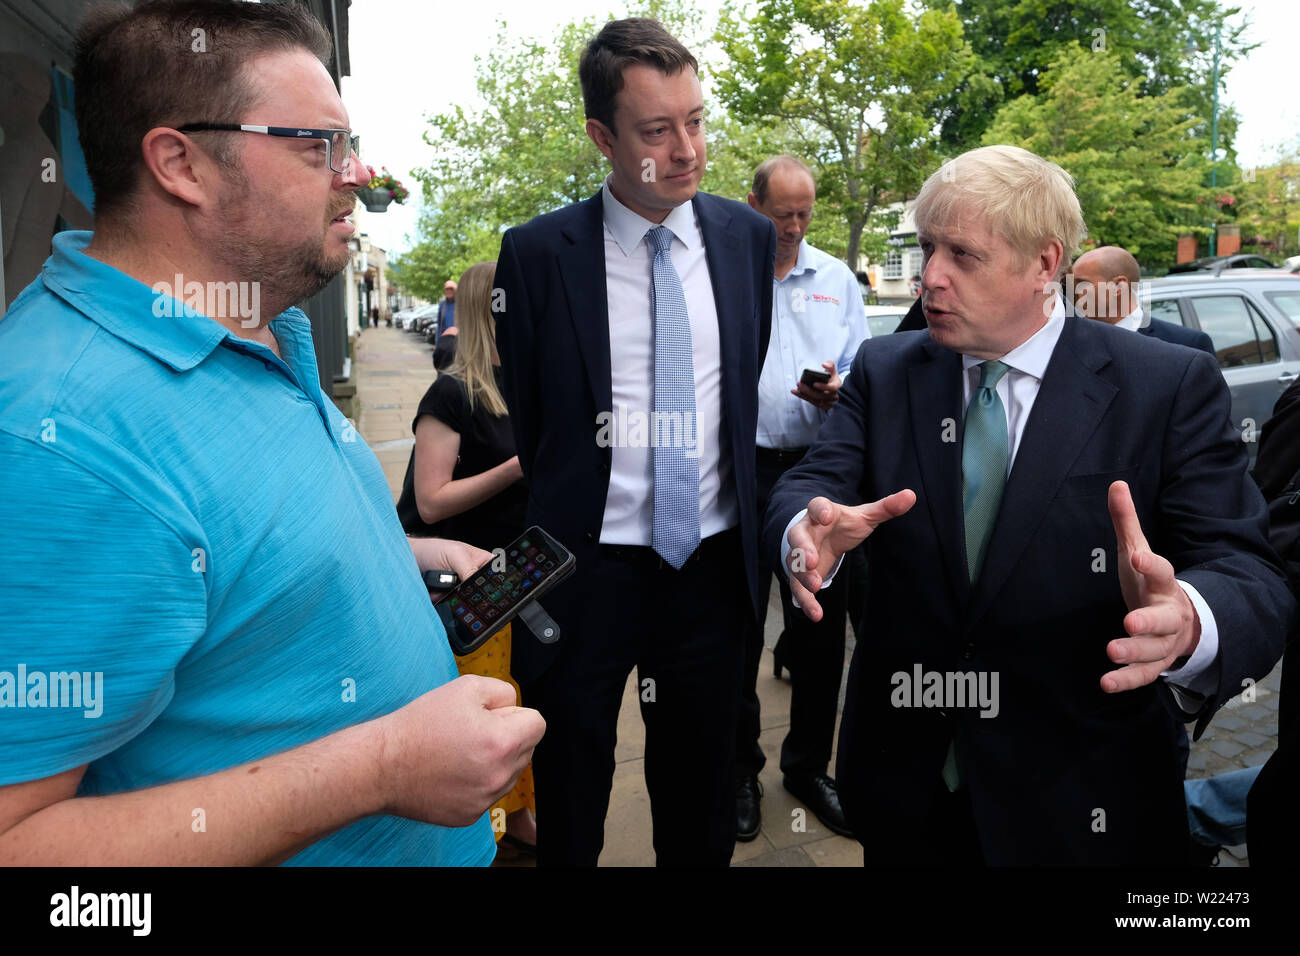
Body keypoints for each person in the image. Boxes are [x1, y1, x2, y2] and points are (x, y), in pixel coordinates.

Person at [0, 0, 543, 866]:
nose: (357, 172)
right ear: (181, 163)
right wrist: (384, 768)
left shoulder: (260, 326)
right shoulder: (58, 442)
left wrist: (408, 555)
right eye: (317, 144)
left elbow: (231, 547)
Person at [764, 144, 1292, 865]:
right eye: (925, 248)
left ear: (1045, 265)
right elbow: (811, 482)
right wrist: (805, 525)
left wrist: (1191, 619)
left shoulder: (1165, 385)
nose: (930, 277)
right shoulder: (888, 371)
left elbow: (1250, 572)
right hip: (904, 786)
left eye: (962, 254)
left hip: (1084, 802)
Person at [494, 17, 774, 866]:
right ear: (601, 138)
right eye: (658, 129)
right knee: (572, 784)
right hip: (584, 573)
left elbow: (742, 388)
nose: (687, 148)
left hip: (713, 571)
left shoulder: (746, 239)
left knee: (699, 789)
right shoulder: (537, 256)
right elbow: (535, 417)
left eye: (696, 119)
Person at [735, 154, 868, 841]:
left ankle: (808, 767)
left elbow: (862, 367)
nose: (793, 225)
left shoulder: (837, 280)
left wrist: (838, 387)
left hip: (817, 469)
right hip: (739, 473)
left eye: (804, 213)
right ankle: (739, 771)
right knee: (735, 625)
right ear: (753, 204)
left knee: (819, 629)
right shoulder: (727, 276)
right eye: (782, 212)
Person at [396, 260, 536, 854]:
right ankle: (489, 831)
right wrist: (514, 468)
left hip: (516, 571)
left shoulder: (526, 382)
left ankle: (517, 818)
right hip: (464, 579)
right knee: (488, 703)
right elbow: (429, 503)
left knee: (516, 698)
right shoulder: (451, 392)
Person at [1069, 245, 1215, 354]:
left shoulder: (1187, 344)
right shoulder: (1071, 340)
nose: (1073, 291)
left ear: (1119, 286)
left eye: (1081, 283)